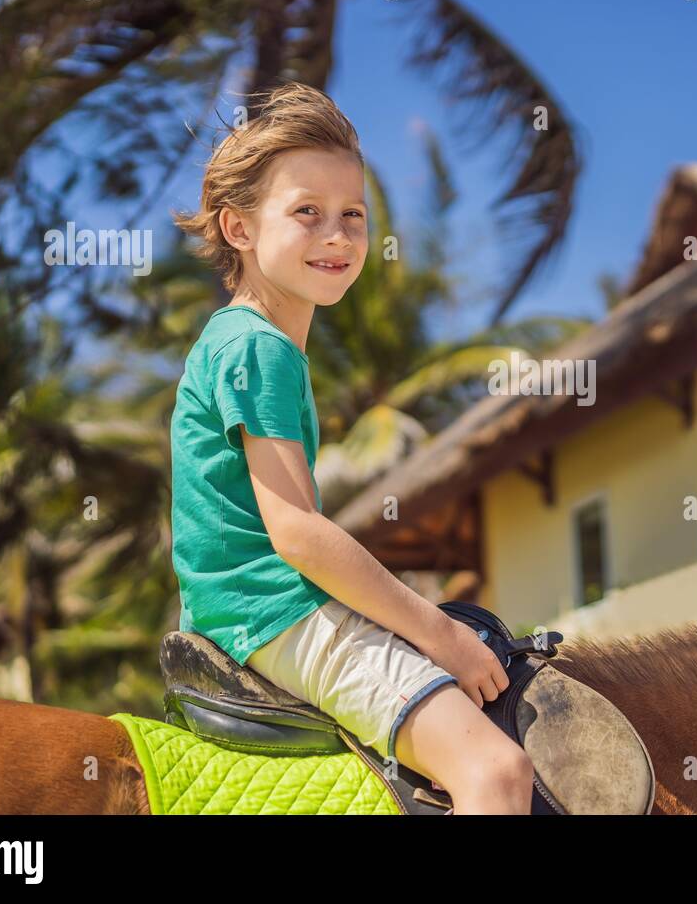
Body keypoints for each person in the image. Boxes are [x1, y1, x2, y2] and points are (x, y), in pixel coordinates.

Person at [170, 82, 534, 814]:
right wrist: (441, 634)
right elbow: (298, 533)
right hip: (274, 612)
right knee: (496, 772)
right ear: (238, 228)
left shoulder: (241, 341)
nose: (336, 236)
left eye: (353, 216)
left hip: (248, 610)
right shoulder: (259, 348)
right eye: (307, 213)